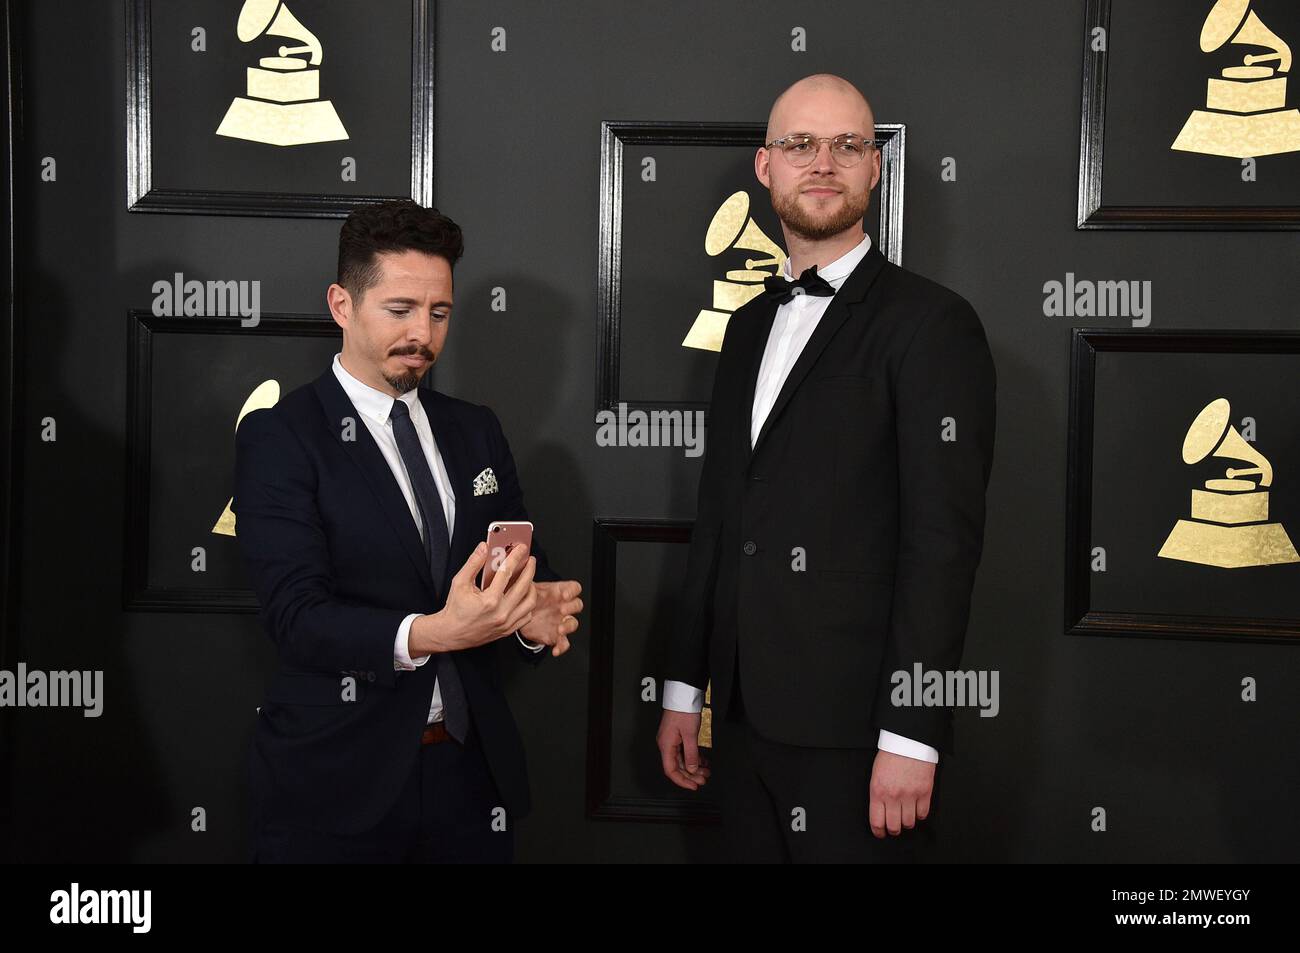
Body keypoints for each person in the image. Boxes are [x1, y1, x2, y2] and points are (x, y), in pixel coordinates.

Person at [656, 74, 996, 863]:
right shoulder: (744, 327)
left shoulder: (933, 325)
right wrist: (684, 689)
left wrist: (914, 731)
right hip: (737, 720)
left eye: (847, 145)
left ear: (875, 168)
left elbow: (942, 545)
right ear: (764, 166)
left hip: (858, 733)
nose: (823, 162)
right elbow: (720, 516)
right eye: (800, 144)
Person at [234, 199, 583, 863]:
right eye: (399, 310)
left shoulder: (475, 428)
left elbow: (514, 567)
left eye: (440, 312)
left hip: (471, 779)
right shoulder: (282, 436)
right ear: (342, 304)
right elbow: (296, 616)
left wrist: (527, 617)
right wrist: (433, 632)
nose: (422, 332)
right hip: (335, 783)